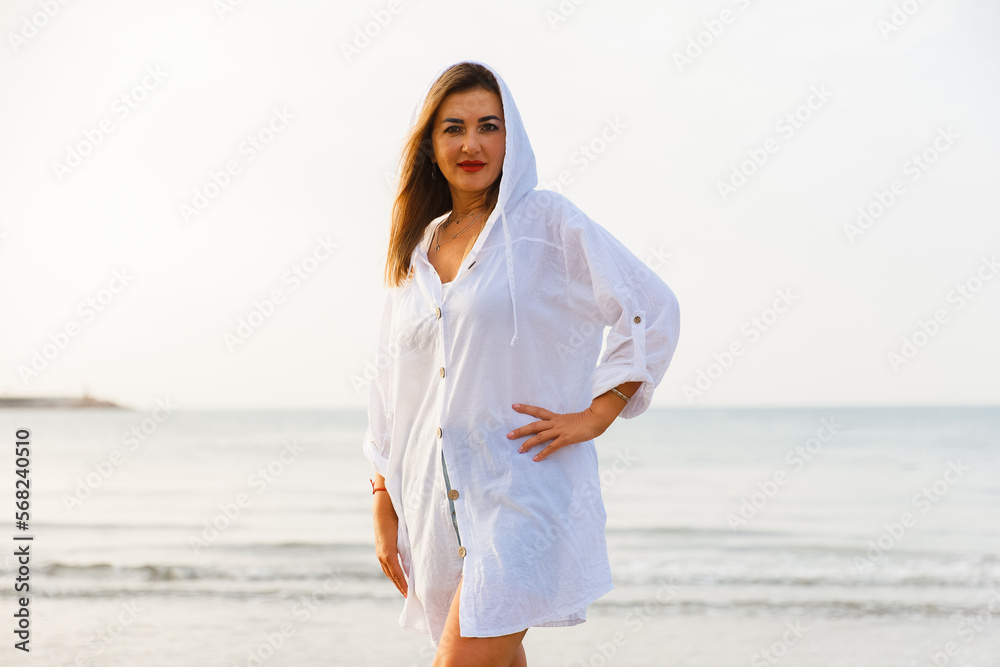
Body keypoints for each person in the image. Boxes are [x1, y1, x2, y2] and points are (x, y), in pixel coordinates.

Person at [362, 60, 680, 666]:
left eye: (489, 126)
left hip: (522, 496)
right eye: (453, 128)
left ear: (513, 138)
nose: (472, 144)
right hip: (437, 503)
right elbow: (389, 384)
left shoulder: (545, 224)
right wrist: (383, 496)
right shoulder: (417, 250)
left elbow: (650, 305)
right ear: (431, 144)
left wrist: (598, 413)